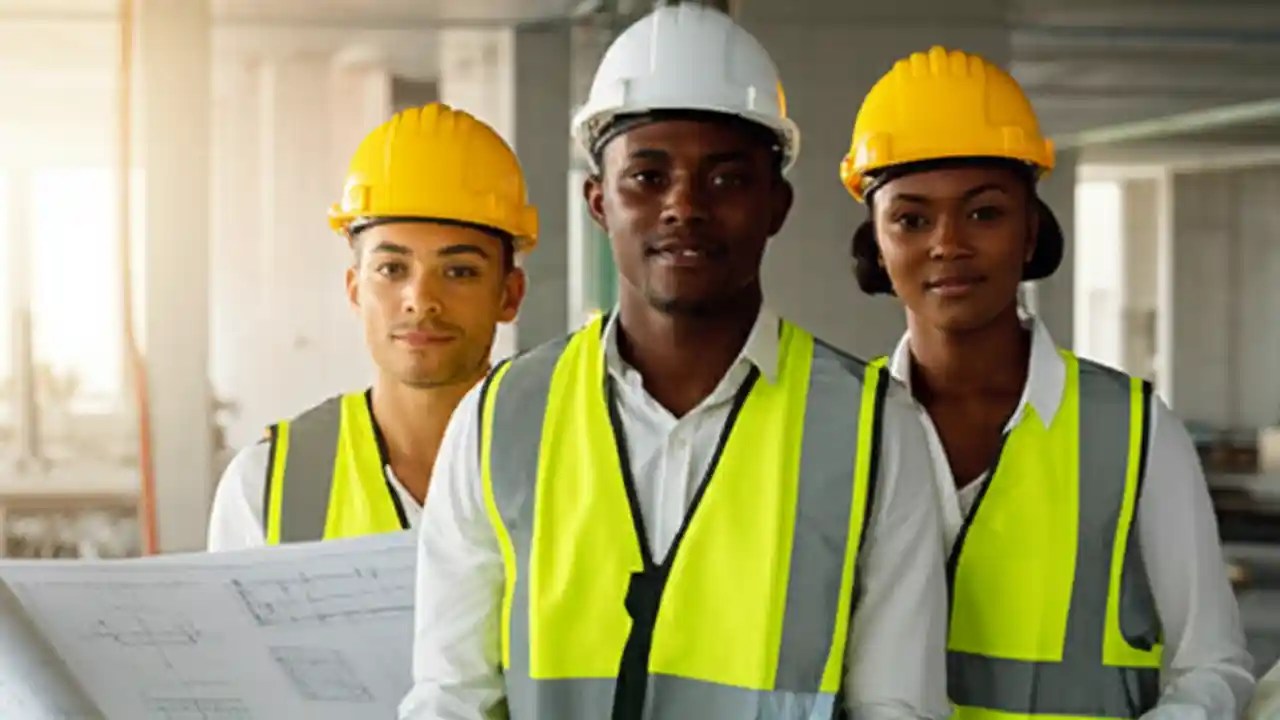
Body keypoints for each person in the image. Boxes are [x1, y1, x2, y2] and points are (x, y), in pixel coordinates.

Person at [399, 4, 951, 719]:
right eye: (647, 177)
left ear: (776, 204)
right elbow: (451, 698)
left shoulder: (876, 429)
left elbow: (896, 708)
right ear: (598, 201)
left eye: (724, 180)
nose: (683, 207)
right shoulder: (501, 418)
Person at [841, 45, 1256, 718]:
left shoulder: (1132, 431)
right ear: (878, 246)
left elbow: (1211, 663)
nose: (948, 243)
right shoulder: (835, 429)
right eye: (911, 219)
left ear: (1031, 231)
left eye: (983, 212)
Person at [206, 102, 534, 550]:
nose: (421, 300)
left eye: (459, 271)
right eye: (392, 269)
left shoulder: (571, 467)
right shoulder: (268, 488)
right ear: (355, 289)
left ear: (509, 295)